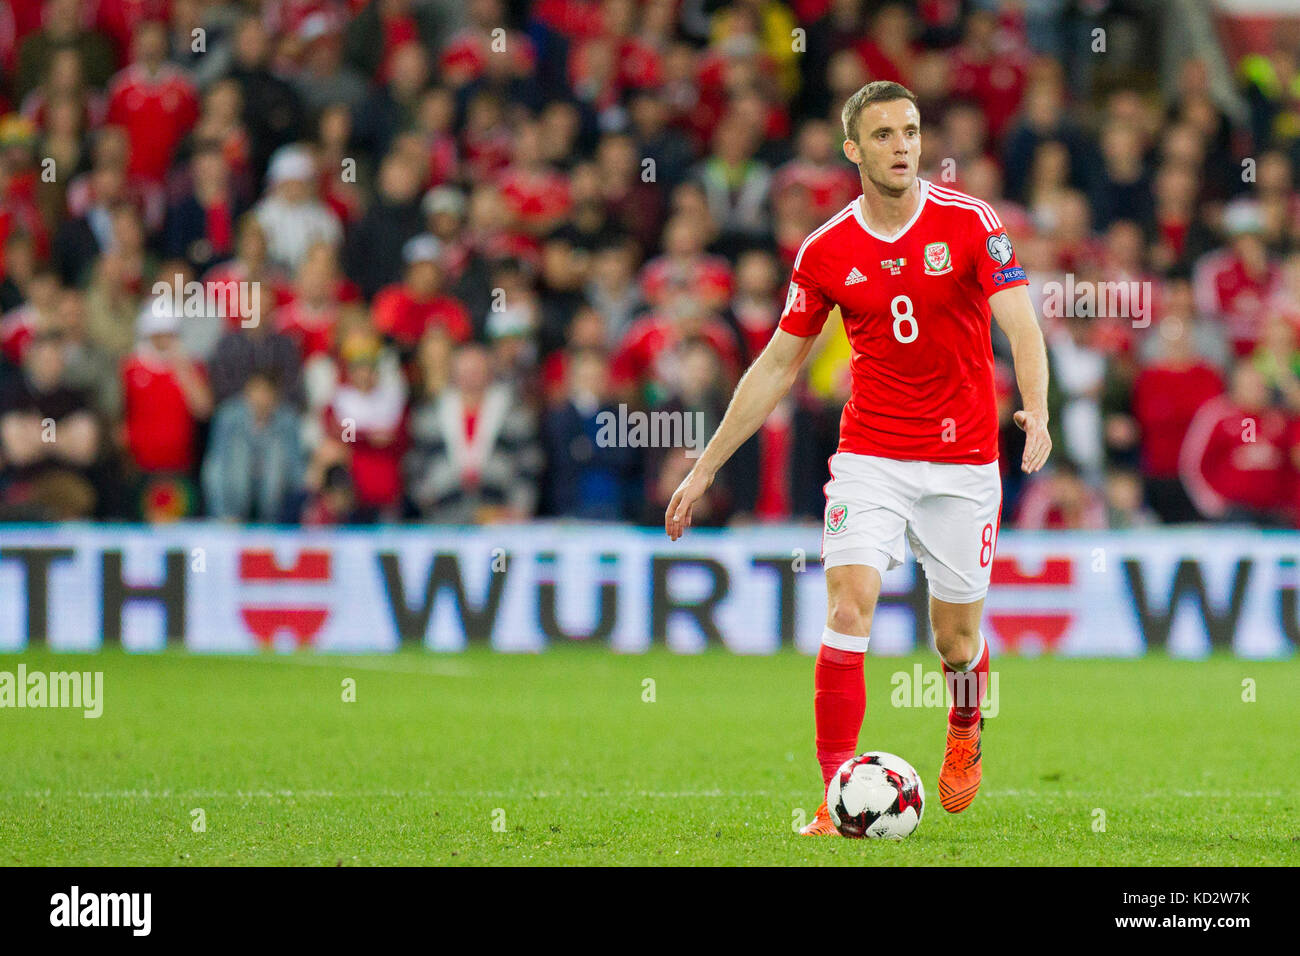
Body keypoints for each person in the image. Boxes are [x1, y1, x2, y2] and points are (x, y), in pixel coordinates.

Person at [663, 81, 1051, 831]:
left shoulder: (972, 223)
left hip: (964, 457)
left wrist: (1036, 407)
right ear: (853, 150)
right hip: (872, 452)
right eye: (883, 135)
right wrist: (706, 464)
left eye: (910, 131)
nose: (903, 145)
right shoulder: (825, 250)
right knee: (848, 605)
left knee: (958, 642)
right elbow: (777, 364)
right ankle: (834, 792)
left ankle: (965, 729)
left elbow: (1022, 328)